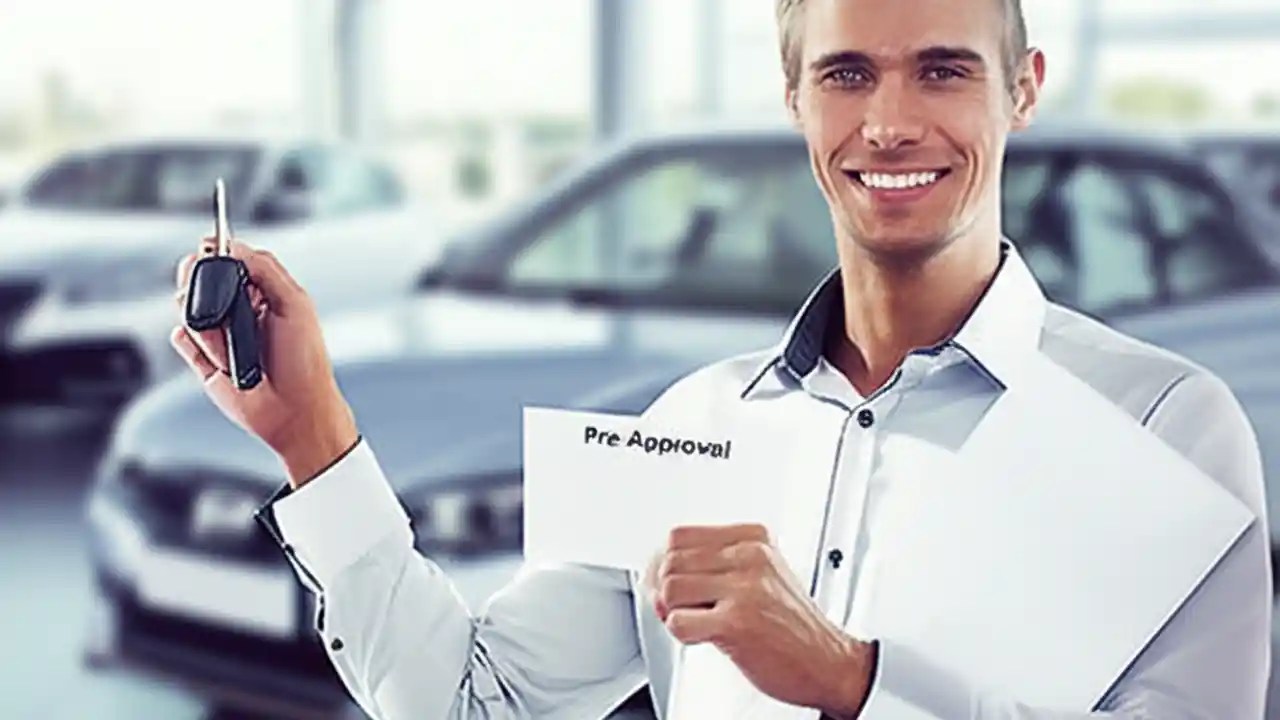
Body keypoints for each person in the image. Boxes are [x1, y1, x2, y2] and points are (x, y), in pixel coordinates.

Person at [169, 0, 1271, 717]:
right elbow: (469, 702)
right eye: (844, 75)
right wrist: (310, 435)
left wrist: (845, 680)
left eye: (940, 72)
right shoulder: (693, 421)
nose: (887, 124)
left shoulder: (1163, 423)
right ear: (791, 98)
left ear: (1020, 87)